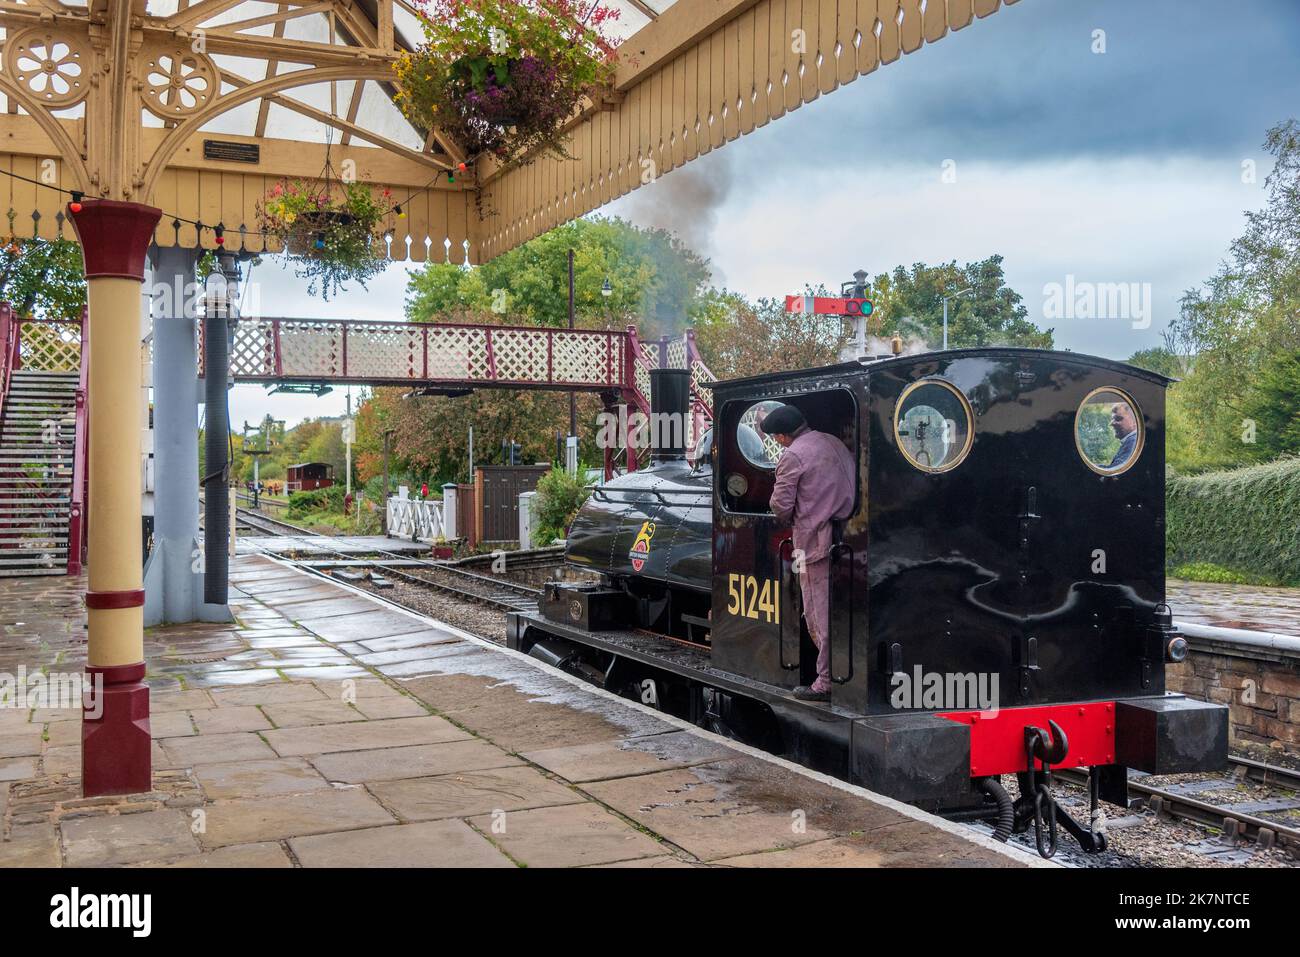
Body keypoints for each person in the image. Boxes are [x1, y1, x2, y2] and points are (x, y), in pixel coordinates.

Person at [766, 403, 856, 701]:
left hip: (811, 545)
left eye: (776, 438)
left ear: (781, 436)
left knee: (816, 613)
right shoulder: (834, 442)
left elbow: (781, 506)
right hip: (847, 539)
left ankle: (825, 682)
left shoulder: (793, 455)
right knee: (836, 610)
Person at [1108, 402, 1138, 469]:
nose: (1112, 423)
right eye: (1112, 419)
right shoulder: (1132, 441)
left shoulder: (1133, 442)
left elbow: (1115, 470)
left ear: (1135, 422)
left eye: (1118, 418)